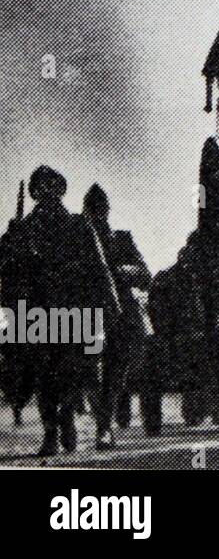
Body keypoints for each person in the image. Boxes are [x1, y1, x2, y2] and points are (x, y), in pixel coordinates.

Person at [0, 167, 109, 456]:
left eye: (52, 186)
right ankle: (50, 431)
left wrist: (111, 306)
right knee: (44, 374)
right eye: (40, 187)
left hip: (75, 310)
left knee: (76, 370)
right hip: (38, 312)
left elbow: (99, 268)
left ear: (61, 189)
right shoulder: (23, 228)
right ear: (35, 194)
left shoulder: (79, 224)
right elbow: (6, 269)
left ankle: (66, 416)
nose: (47, 192)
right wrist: (9, 243)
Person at [82, 184, 152, 449]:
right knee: (89, 370)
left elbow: (145, 274)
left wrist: (124, 271)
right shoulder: (78, 242)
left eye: (101, 209)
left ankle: (104, 424)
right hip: (88, 313)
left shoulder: (122, 238)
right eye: (93, 209)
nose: (98, 214)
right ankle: (103, 422)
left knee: (115, 371)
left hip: (121, 314)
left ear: (108, 211)